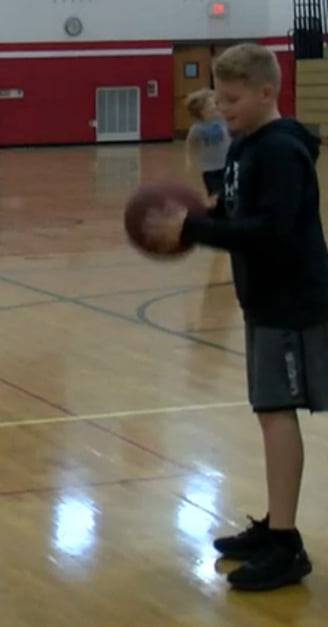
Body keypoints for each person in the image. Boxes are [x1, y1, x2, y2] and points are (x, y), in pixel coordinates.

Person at [142, 42, 328, 592]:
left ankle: (286, 545)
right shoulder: (248, 146)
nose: (222, 107)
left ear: (267, 91)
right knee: (270, 411)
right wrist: (205, 214)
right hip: (265, 300)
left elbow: (272, 231)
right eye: (219, 98)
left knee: (276, 412)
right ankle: (276, 527)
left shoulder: (280, 150)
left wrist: (195, 231)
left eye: (232, 98)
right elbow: (239, 211)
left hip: (294, 302)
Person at [184, 88, 230, 201]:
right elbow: (189, 141)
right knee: (215, 195)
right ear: (201, 110)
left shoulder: (223, 119)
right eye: (210, 104)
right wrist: (188, 159)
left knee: (229, 192)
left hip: (227, 164)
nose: (215, 106)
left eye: (215, 103)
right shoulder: (197, 128)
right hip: (210, 168)